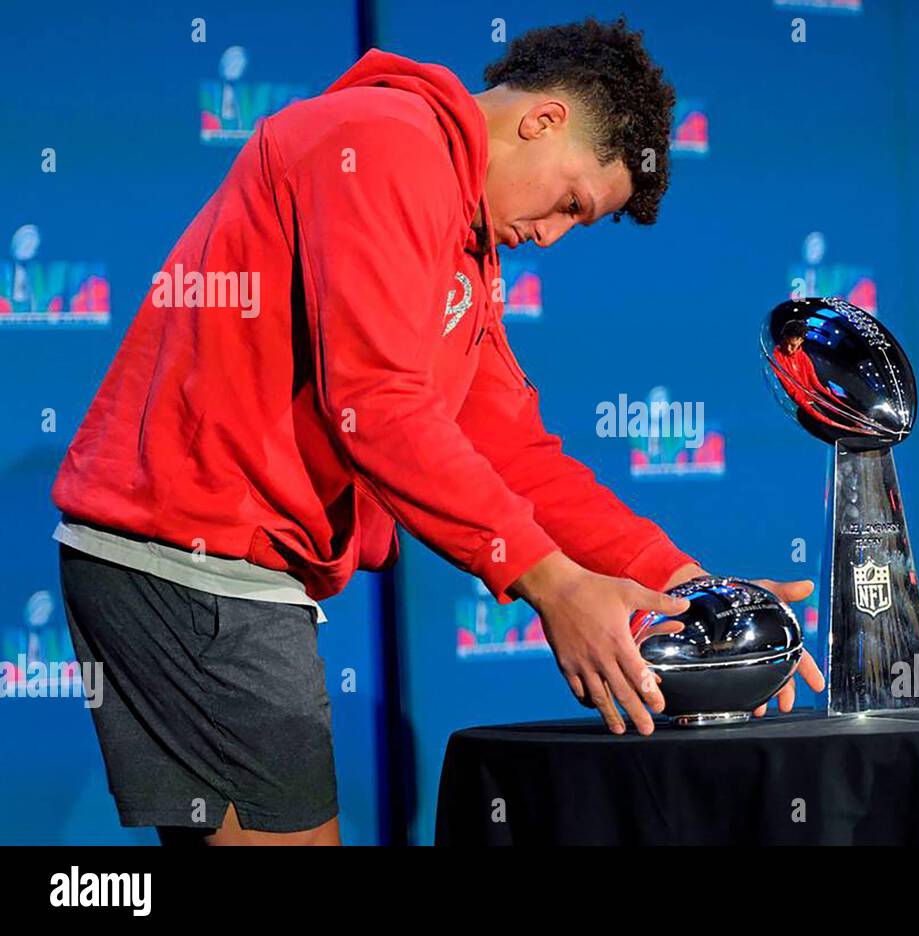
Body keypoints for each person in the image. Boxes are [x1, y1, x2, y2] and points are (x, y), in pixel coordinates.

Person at [51, 18, 823, 845]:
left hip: (219, 567)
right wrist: (554, 587)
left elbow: (514, 454)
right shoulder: (383, 145)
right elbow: (377, 407)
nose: (555, 235)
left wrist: (684, 588)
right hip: (194, 562)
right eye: (570, 202)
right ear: (543, 119)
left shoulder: (464, 244)